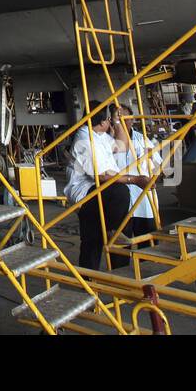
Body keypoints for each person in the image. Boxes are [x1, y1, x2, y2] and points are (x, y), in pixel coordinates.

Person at [66, 103, 153, 271]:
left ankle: (119, 271)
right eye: (108, 119)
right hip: (85, 195)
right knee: (119, 193)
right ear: (101, 121)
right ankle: (89, 278)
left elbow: (123, 145)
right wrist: (134, 180)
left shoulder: (100, 135)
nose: (110, 123)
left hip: (100, 192)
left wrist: (118, 121)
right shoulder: (84, 139)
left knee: (116, 230)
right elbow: (102, 176)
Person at [111, 103, 161, 238]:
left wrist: (151, 156)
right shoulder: (107, 142)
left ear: (133, 120)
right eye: (119, 118)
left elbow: (159, 165)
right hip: (120, 201)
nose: (124, 122)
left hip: (143, 199)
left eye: (127, 118)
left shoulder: (142, 140)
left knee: (148, 242)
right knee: (121, 245)